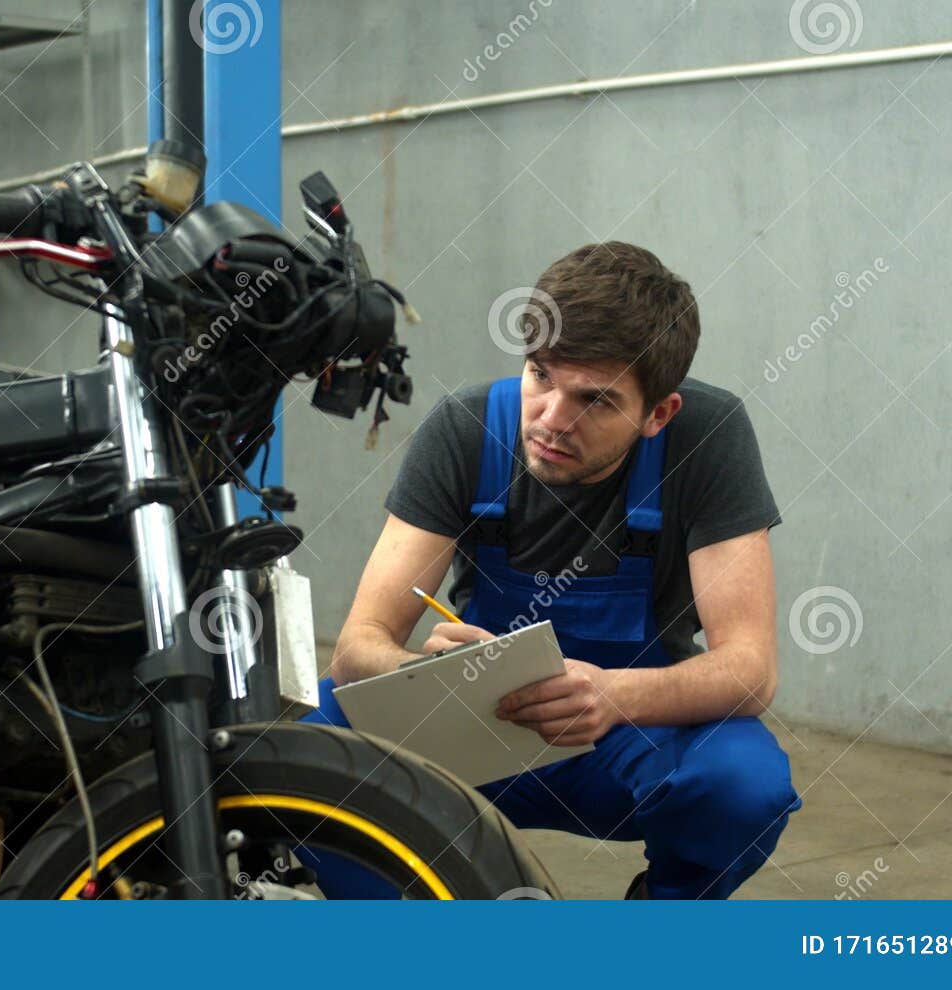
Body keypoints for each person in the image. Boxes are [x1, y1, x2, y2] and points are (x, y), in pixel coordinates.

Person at [302, 241, 801, 899]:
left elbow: (749, 669)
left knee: (744, 784)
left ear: (659, 413)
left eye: (594, 400)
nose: (552, 421)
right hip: (471, 728)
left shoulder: (707, 439)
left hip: (624, 737)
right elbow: (359, 645)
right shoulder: (467, 429)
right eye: (540, 375)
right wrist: (428, 675)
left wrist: (611, 695)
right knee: (305, 755)